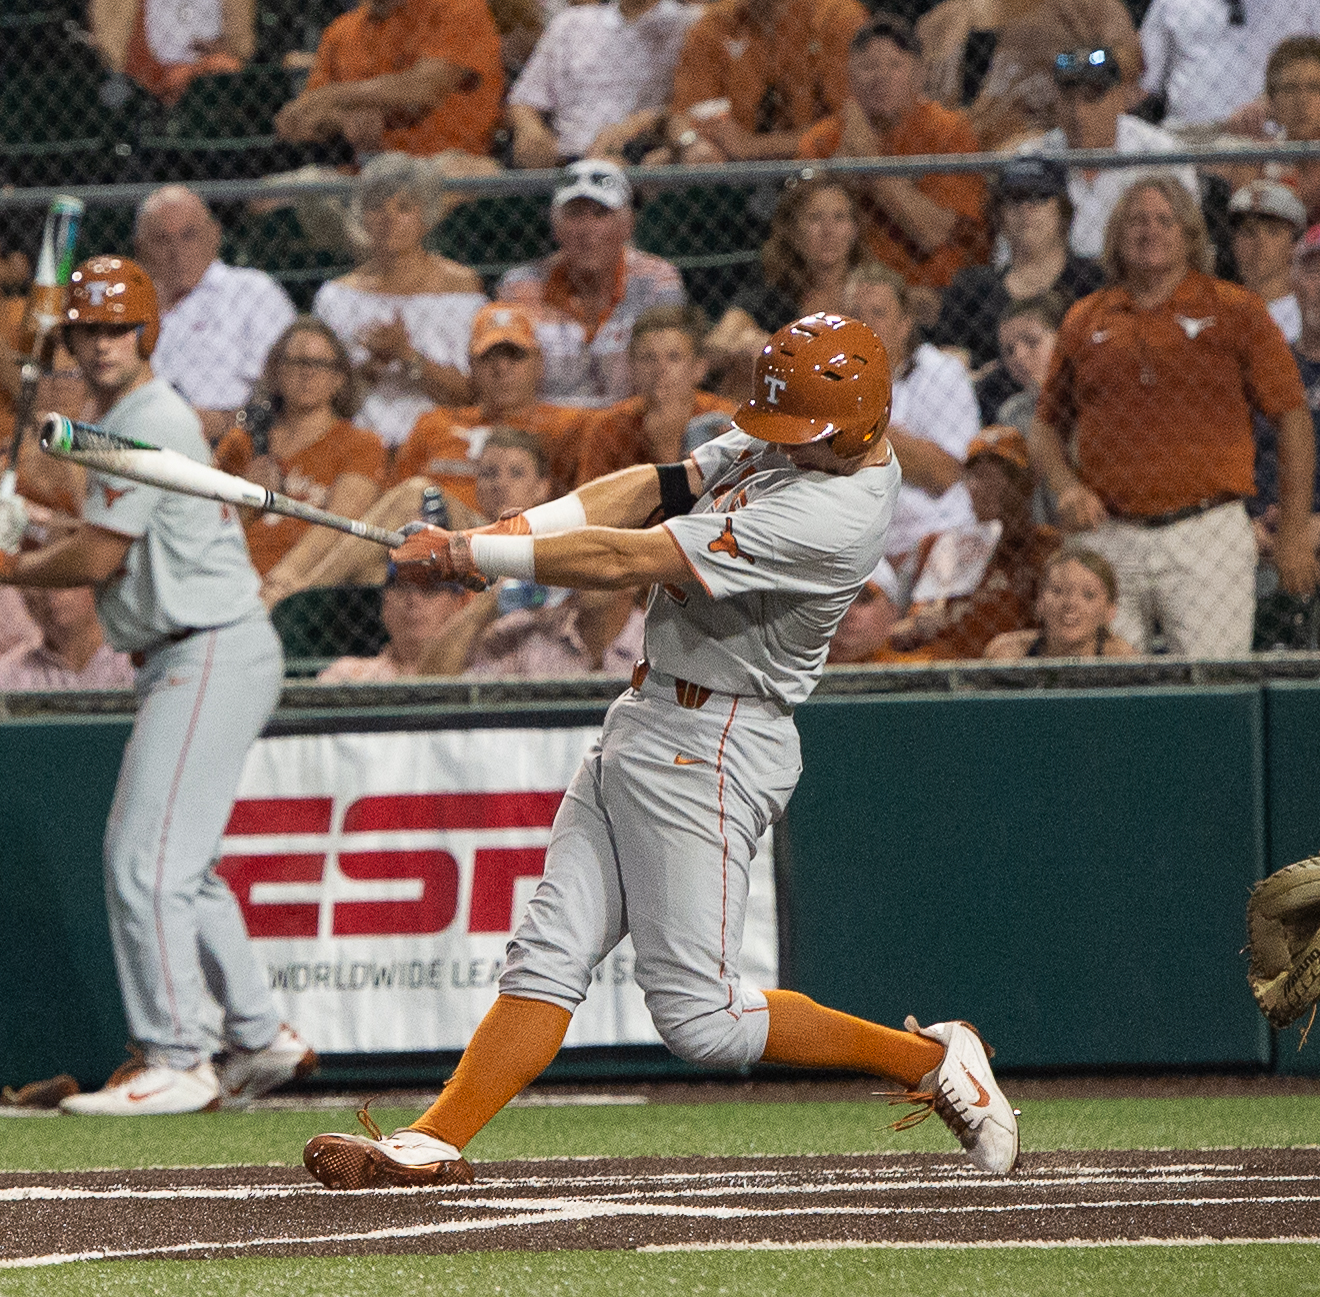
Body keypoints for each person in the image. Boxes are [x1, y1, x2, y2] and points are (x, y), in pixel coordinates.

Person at [302, 311, 1020, 1190]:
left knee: (704, 1021)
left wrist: (476, 549)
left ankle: (931, 1060)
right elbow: (653, 484)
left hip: (715, 739)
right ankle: (435, 1135)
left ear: (862, 424)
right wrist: (512, 533)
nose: (783, 443)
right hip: (647, 715)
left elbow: (628, 554)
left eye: (803, 432)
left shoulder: (833, 511)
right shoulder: (797, 437)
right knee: (548, 952)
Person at [0, 255, 314, 1114]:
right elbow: (109, 524)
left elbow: (101, 557)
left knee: (142, 860)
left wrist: (8, 561)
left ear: (149, 330)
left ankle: (177, 1054)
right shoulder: (130, 415)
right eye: (88, 327)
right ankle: (258, 1032)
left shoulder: (147, 417)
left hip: (205, 645)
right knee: (184, 864)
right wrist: (32, 521)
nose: (102, 343)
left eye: (118, 326)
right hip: (203, 646)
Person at [1028, 176, 1319, 656]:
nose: (1151, 231)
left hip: (1209, 531)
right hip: (1110, 533)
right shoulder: (1085, 318)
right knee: (1109, 689)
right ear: (1116, 235)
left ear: (1189, 234)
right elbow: (1044, 426)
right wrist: (1066, 487)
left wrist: (1292, 531)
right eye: (1138, 221)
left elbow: (1292, 419)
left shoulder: (1236, 310)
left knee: (1213, 687)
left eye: (1165, 220)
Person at [295, 307, 582, 593]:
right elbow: (388, 503)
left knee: (417, 492)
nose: (501, 368)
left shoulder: (569, 425)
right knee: (372, 567)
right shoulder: (436, 423)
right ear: (470, 365)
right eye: (488, 358)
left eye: (515, 356)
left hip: (508, 539)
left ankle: (302, 594)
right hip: (428, 546)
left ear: (539, 363)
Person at [798, 14, 988, 305]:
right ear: (850, 75)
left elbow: (934, 233)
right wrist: (837, 173)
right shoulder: (822, 140)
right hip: (847, 296)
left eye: (895, 65)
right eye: (869, 66)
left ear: (919, 74)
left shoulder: (949, 131)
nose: (881, 76)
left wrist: (869, 165)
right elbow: (801, 231)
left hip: (936, 290)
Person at [313, 153, 488, 449]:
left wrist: (407, 355)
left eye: (404, 207)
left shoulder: (462, 289)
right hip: (358, 445)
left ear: (426, 215)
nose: (389, 219)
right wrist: (371, 366)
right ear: (361, 216)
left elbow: (474, 395)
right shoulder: (335, 296)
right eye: (376, 207)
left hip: (441, 441)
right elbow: (323, 398)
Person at [213, 318, 387, 607]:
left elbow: (339, 524)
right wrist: (245, 504)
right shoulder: (243, 442)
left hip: (306, 590)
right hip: (231, 576)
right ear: (277, 372)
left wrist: (279, 582)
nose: (307, 373)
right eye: (296, 362)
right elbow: (202, 523)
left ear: (339, 378)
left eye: (320, 364)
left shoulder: (360, 443)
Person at [497, 161, 686, 408]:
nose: (587, 229)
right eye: (574, 214)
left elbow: (672, 370)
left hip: (633, 420)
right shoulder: (520, 287)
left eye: (600, 214)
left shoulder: (657, 281)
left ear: (627, 226)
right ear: (556, 228)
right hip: (548, 426)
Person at [134, 186, 297, 448]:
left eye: (189, 236)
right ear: (140, 247)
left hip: (231, 442)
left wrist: (227, 421)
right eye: (162, 240)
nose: (177, 251)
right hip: (141, 441)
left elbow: (282, 387)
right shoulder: (128, 307)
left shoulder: (253, 291)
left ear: (214, 235)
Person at [880, 426, 1061, 660]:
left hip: (1014, 673)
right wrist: (918, 626)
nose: (990, 485)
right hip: (937, 669)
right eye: (978, 475)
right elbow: (891, 627)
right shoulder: (937, 546)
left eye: (1004, 475)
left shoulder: (1047, 548)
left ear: (1027, 484)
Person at [928, 156, 1103, 392]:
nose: (1025, 209)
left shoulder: (1094, 281)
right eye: (1015, 199)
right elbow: (945, 358)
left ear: (1062, 210)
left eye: (1039, 197)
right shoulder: (971, 289)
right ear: (1000, 215)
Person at [843, 264, 980, 563]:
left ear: (905, 323)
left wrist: (855, 422)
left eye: (877, 313)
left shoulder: (941, 372)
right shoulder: (834, 384)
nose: (863, 326)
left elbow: (944, 474)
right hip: (867, 553)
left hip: (939, 538)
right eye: (854, 316)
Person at [1023, 46, 1200, 259]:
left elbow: (1189, 238)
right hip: (1060, 282)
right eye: (1069, 99)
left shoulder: (1160, 152)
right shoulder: (1035, 158)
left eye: (1092, 99)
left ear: (1119, 98)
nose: (1079, 113)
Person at [272, 0, 505, 162]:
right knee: (271, 196)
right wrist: (344, 118)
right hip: (363, 169)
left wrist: (335, 97)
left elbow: (425, 88)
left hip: (449, 165)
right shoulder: (341, 30)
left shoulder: (461, 9)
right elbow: (310, 113)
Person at [705, 179, 868, 399]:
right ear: (793, 231)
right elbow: (715, 345)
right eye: (815, 218)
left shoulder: (873, 293)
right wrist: (750, 345)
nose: (828, 231)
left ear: (854, 229)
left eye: (839, 218)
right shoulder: (771, 297)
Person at [916, 0, 1141, 149]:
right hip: (956, 142)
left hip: (1044, 140)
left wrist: (1071, 62)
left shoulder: (1088, 7)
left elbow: (1126, 60)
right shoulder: (945, 18)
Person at [664, 0, 866, 164]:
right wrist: (691, 143)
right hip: (733, 167)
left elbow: (853, 125)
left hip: (817, 165)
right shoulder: (715, 24)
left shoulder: (836, 16)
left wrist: (754, 146)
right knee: (663, 162)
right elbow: (683, 114)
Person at [506, 0, 699, 168]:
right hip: (564, 157)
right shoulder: (571, 22)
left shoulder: (689, 24)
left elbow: (695, 105)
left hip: (636, 151)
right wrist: (530, 129)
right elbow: (524, 97)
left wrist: (644, 122)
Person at [574, 305, 736, 485]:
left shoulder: (722, 418)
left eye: (674, 357)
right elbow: (594, 501)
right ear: (632, 367)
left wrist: (668, 448)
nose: (660, 369)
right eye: (648, 358)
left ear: (699, 367)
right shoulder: (610, 427)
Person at [1251, 223, 1320, 567]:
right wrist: (1248, 523)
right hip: (1262, 534)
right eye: (1312, 271)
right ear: (1293, 283)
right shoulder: (1269, 369)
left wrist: (1308, 527)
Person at [1140, 0, 1320, 130]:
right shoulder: (1171, 4)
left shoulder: (1305, 4)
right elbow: (1145, 85)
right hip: (1191, 138)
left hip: (1276, 139)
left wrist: (1270, 103)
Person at [317, 566, 470, 682]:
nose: (413, 600)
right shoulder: (347, 676)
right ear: (385, 604)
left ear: (456, 604)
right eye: (402, 587)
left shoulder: (474, 675)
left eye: (428, 590)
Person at [87, 0, 254, 106]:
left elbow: (243, 45)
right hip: (140, 74)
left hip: (206, 69)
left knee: (225, 67)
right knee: (112, 95)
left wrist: (215, 47)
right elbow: (107, 41)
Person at [984, 543, 1137, 658]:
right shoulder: (1010, 656)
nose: (1070, 604)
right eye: (1058, 591)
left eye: (1088, 595)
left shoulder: (1121, 662)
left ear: (1110, 611)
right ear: (1040, 603)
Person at [464, 586, 645, 677]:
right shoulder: (524, 632)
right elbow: (449, 698)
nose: (594, 569)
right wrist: (490, 594)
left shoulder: (660, 643)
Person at [0, 585, 134, 690]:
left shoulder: (134, 661)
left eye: (62, 579)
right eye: (35, 582)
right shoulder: (9, 675)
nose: (49, 593)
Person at [1229, 179, 1307, 342]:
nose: (1259, 242)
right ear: (1234, 242)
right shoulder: (1218, 311)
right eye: (1248, 231)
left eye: (1273, 232)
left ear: (1294, 244)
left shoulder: (1308, 315)